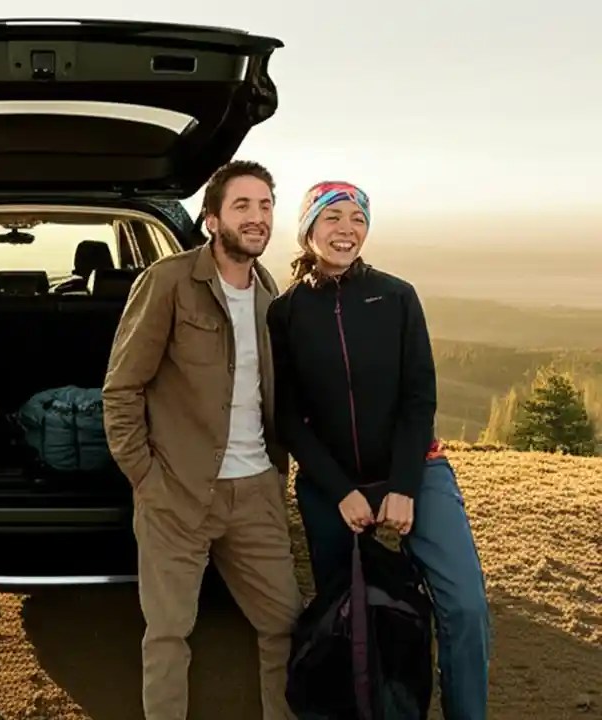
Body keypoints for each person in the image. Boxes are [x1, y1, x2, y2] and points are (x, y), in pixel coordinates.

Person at [266, 180, 491, 719]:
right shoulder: (285, 312)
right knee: (348, 616)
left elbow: (420, 398)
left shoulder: (396, 296)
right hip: (332, 488)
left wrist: (404, 486)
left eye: (357, 219)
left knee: (465, 606)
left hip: (417, 472)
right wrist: (341, 491)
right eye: (333, 217)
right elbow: (287, 417)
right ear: (308, 229)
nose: (346, 230)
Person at [103, 160, 303, 720]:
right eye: (242, 206)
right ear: (212, 220)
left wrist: (276, 476)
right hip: (177, 492)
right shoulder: (168, 282)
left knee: (284, 621)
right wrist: (147, 477)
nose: (257, 217)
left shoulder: (271, 296)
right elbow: (121, 390)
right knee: (168, 634)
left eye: (265, 206)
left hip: (256, 491)